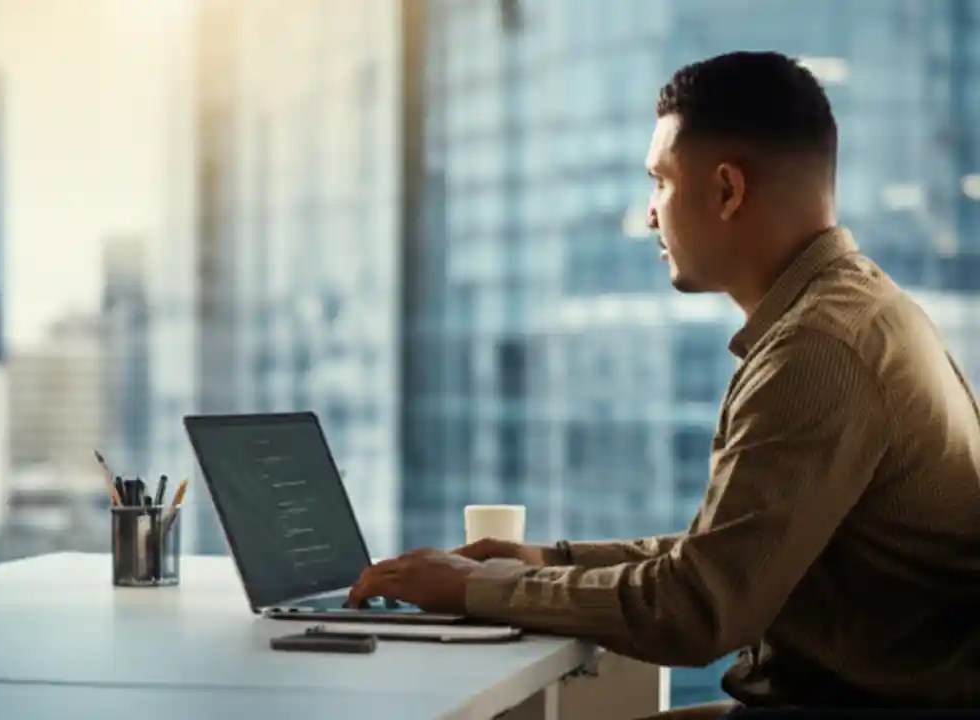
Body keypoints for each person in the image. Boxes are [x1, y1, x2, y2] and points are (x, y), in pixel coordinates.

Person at [348, 51, 980, 717]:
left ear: (728, 190)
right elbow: (729, 555)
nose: (650, 214)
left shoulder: (819, 351)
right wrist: (541, 560)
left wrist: (473, 590)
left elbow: (699, 608)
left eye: (659, 182)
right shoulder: (861, 313)